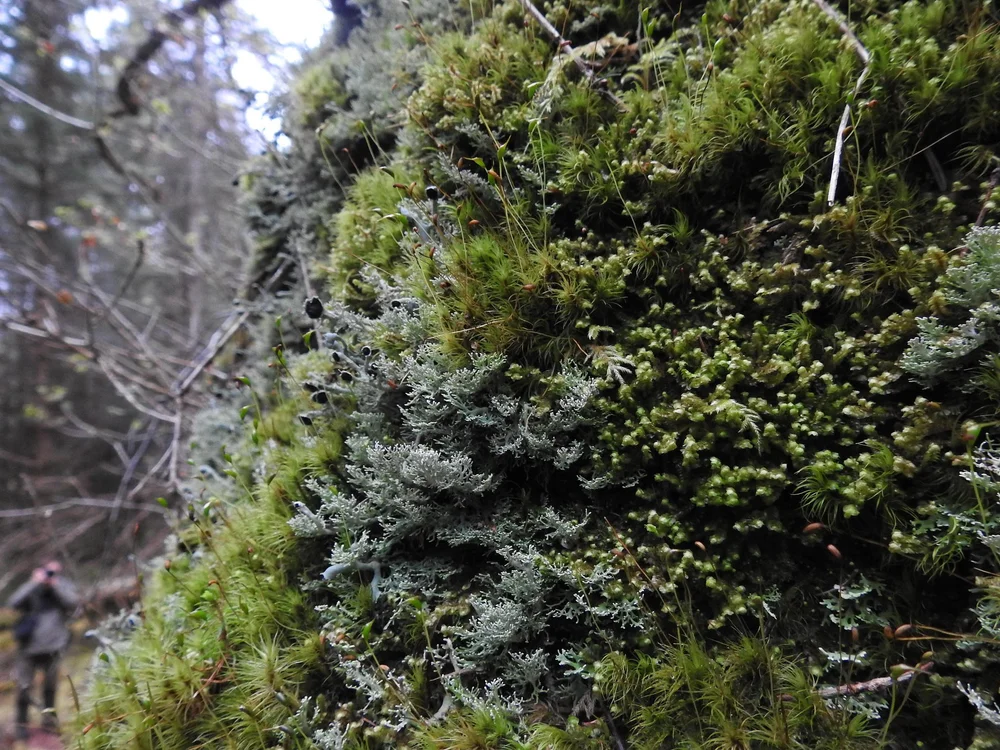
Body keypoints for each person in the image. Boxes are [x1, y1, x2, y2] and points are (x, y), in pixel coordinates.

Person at [6, 561, 79, 738]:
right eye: (47, 571)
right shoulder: (31, 588)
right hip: (28, 648)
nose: (49, 575)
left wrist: (54, 585)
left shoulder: (62, 585)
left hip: (54, 645)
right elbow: (13, 602)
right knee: (24, 686)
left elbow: (73, 603)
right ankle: (21, 725)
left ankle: (49, 721)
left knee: (50, 685)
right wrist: (34, 582)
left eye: (53, 572)